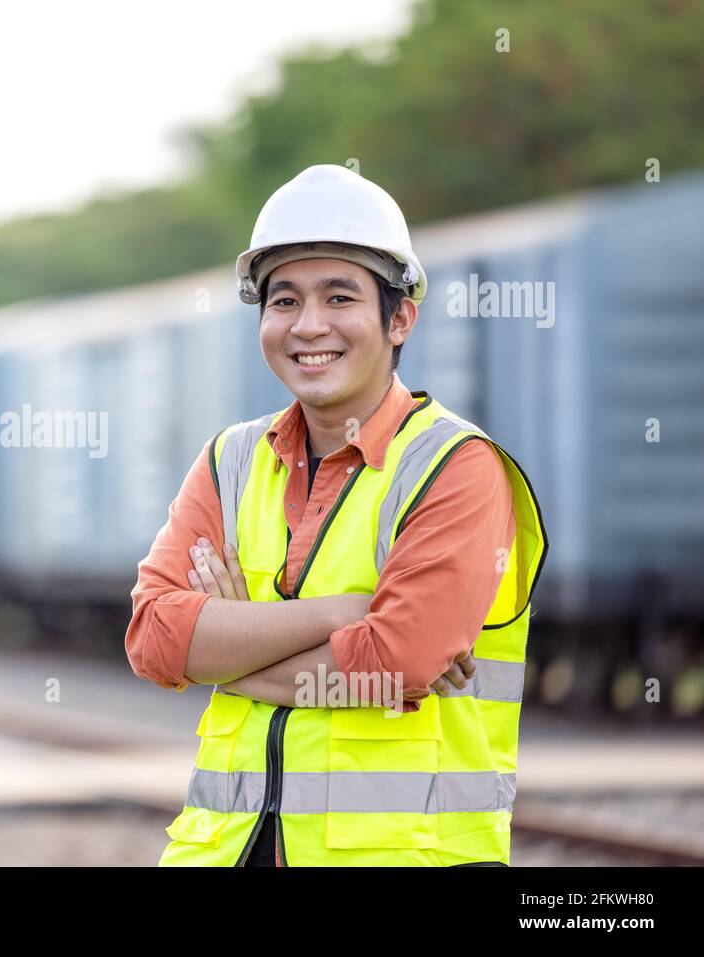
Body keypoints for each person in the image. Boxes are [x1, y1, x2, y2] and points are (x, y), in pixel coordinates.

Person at [124, 165, 547, 866]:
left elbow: (398, 659)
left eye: (339, 296)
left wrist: (225, 657)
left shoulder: (456, 465)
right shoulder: (230, 461)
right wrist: (342, 612)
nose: (308, 325)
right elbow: (154, 639)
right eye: (284, 299)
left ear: (399, 316)